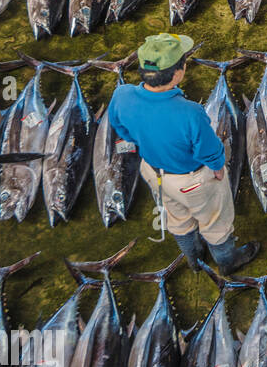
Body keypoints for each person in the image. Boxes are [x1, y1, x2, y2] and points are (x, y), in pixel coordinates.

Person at [108, 33, 258, 274]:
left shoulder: (122, 95)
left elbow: (121, 129)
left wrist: (146, 140)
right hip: (192, 180)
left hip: (154, 172)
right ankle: (227, 261)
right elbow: (209, 151)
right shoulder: (191, 112)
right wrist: (218, 168)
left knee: (177, 217)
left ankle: (194, 257)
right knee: (215, 222)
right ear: (178, 73)